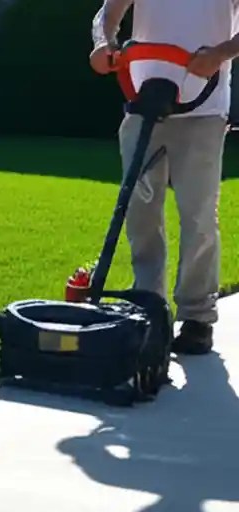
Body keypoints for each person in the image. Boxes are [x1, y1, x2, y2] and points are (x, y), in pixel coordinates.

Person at [89, 0, 239, 354]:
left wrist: (219, 53)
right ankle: (148, 304)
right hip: (142, 101)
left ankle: (197, 316)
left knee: (198, 214)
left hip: (204, 107)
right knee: (140, 211)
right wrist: (103, 42)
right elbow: (108, 14)